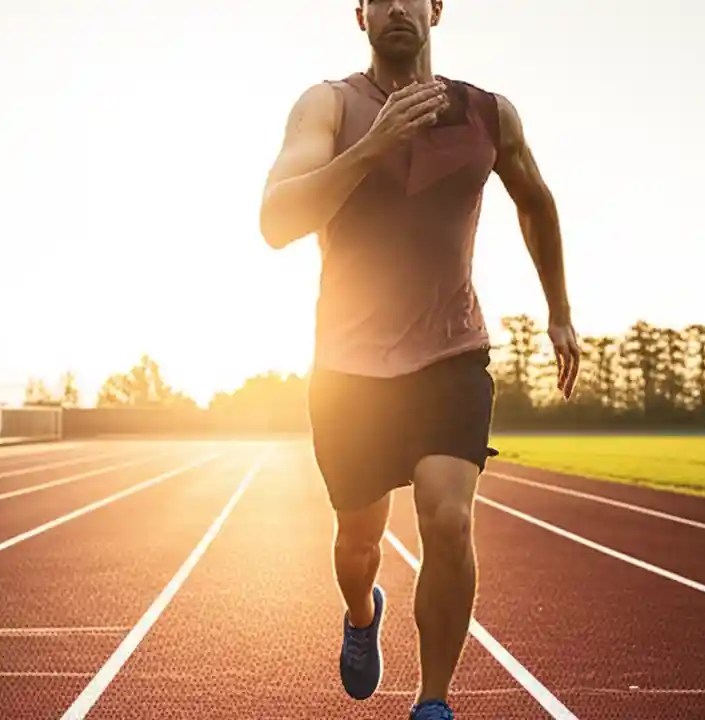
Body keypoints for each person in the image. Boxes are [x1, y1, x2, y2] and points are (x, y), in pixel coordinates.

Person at [258, 1, 578, 717]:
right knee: (359, 543)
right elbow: (276, 221)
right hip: (350, 370)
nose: (398, 6)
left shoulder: (487, 115)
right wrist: (374, 144)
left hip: (450, 354)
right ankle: (362, 614)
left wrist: (558, 310)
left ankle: (433, 702)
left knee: (448, 518)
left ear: (437, 9)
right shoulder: (329, 107)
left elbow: (536, 201)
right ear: (360, 14)